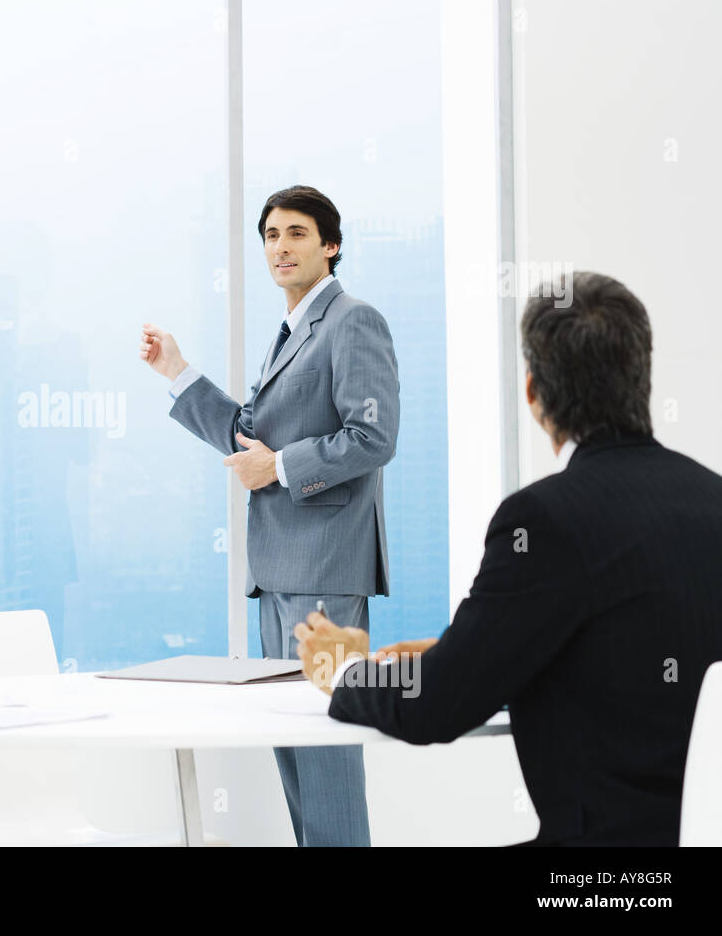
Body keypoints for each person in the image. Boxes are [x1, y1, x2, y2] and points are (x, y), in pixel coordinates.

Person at [295, 271, 722, 846]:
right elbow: (640, 642)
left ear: (534, 395)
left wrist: (344, 669)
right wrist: (472, 646)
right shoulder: (711, 499)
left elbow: (438, 706)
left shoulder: (545, 520)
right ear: (642, 377)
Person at [140, 185, 399, 847]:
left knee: (324, 753)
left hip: (325, 570)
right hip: (279, 571)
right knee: (293, 750)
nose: (280, 246)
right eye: (271, 235)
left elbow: (374, 438)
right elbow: (248, 433)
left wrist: (280, 467)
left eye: (297, 233)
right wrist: (177, 371)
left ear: (331, 245)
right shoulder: (290, 333)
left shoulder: (352, 321)